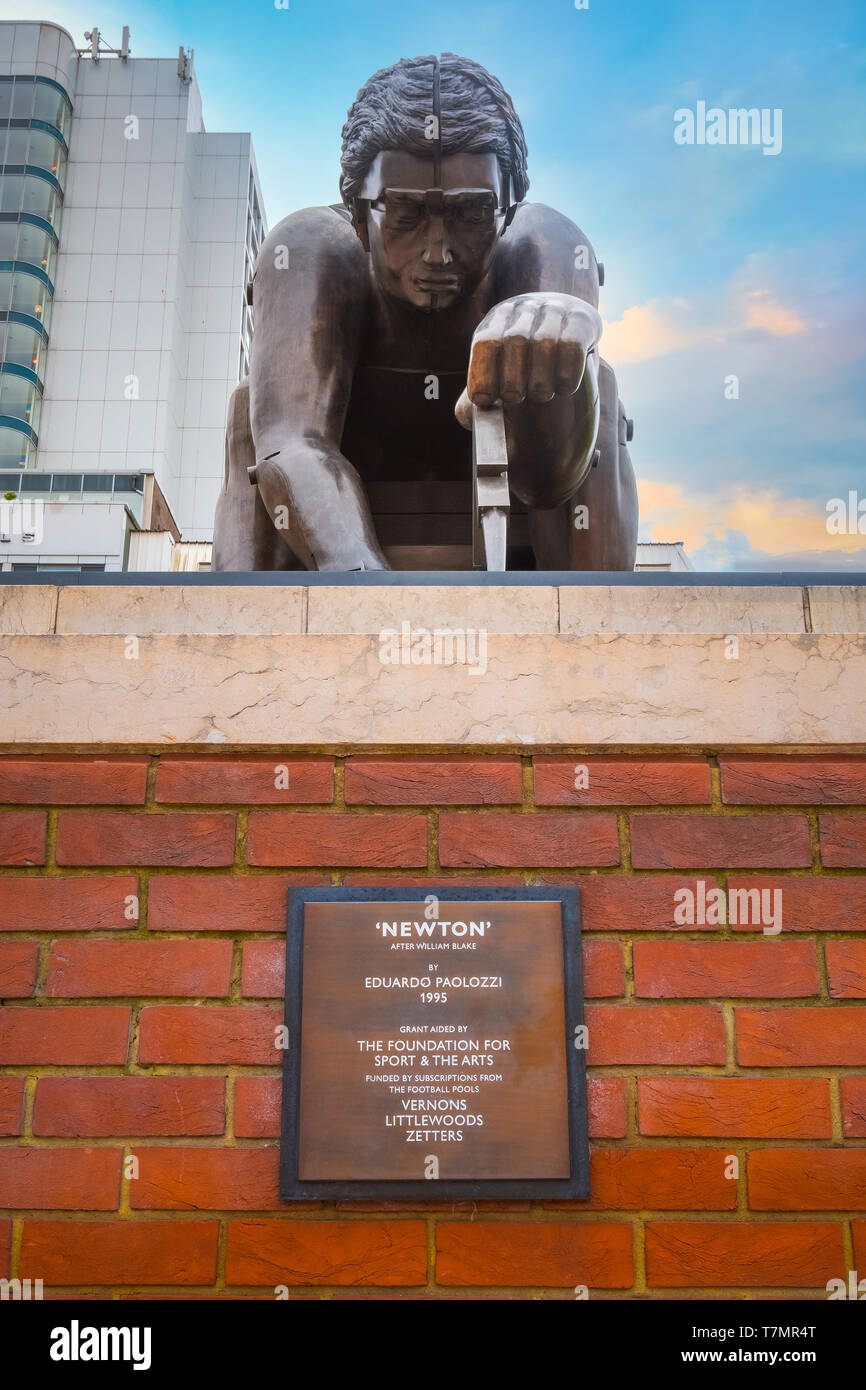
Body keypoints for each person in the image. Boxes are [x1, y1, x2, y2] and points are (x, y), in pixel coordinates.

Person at [213, 53, 637, 571]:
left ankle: (598, 615)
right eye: (407, 213)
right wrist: (365, 584)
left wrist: (555, 365)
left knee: (596, 384)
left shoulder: (544, 245)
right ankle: (244, 614)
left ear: (507, 212)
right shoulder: (310, 249)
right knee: (253, 411)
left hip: (518, 505)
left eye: (470, 213)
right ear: (358, 214)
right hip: (337, 521)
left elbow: (545, 482)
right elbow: (293, 443)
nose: (437, 252)